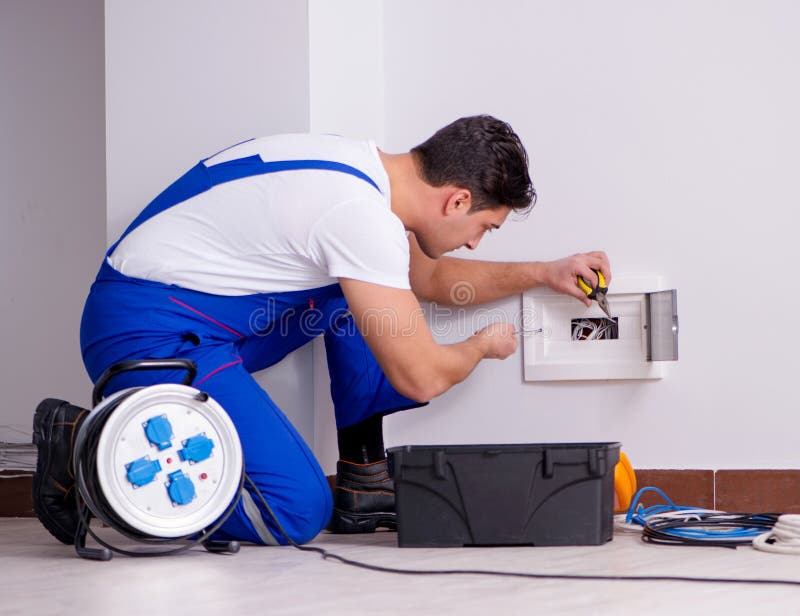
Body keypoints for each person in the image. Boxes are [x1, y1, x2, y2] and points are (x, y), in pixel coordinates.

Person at [32, 115, 611, 546]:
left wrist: (544, 273)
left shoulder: (359, 171)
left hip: (198, 311)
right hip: (148, 331)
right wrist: (481, 346)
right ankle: (93, 452)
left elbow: (428, 280)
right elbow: (421, 377)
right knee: (292, 511)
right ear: (457, 197)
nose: (476, 241)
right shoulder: (359, 218)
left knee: (353, 292)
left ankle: (363, 477)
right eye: (483, 225)